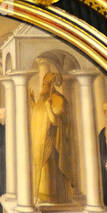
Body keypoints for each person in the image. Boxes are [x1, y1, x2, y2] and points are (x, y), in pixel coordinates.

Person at [30, 72, 75, 205]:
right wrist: (32, 102)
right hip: (40, 141)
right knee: (43, 170)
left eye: (45, 84)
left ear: (51, 85)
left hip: (53, 143)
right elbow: (38, 114)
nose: (42, 87)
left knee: (52, 171)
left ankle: (54, 197)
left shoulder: (58, 99)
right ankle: (44, 196)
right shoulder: (43, 98)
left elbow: (55, 121)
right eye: (43, 84)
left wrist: (49, 107)